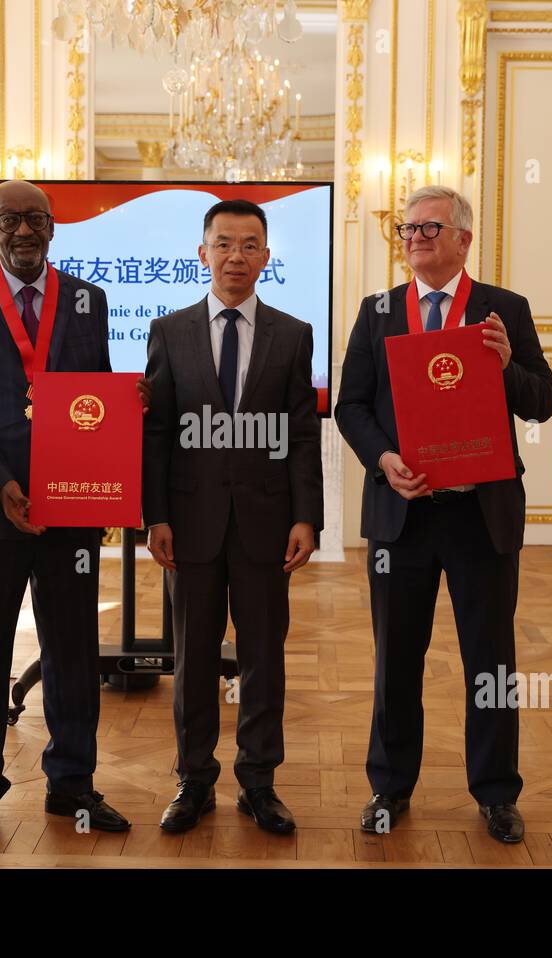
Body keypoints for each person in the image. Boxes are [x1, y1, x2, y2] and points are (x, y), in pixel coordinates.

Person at [0, 179, 148, 845]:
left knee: (74, 651)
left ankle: (72, 784)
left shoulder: (89, 300)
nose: (25, 231)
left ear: (54, 228)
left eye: (37, 219)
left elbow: (92, 398)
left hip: (71, 511)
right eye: (10, 220)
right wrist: (0, 486)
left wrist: (125, 410)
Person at [335, 184, 552, 843]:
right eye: (407, 230)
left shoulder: (502, 310)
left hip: (479, 517)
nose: (414, 240)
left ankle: (495, 794)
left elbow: (541, 402)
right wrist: (382, 460)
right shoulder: (378, 310)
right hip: (401, 516)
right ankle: (389, 787)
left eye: (428, 229)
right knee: (395, 659)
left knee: (490, 661)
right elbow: (352, 405)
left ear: (463, 238)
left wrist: (506, 362)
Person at [143, 198, 323, 834]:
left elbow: (302, 434)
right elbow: (158, 432)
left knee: (262, 655)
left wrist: (308, 517)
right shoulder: (169, 331)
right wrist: (154, 514)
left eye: (250, 245)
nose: (236, 257)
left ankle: (258, 781)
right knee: (191, 656)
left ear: (266, 258)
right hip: (188, 524)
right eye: (223, 244)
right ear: (203, 253)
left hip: (267, 524)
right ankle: (194, 779)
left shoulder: (293, 334)